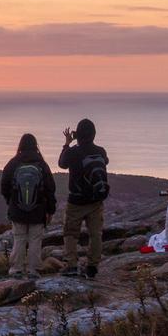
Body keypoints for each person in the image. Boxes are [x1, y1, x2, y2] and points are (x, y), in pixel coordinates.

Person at [58, 118, 110, 278]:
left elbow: (61, 163)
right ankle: (92, 266)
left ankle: (72, 265)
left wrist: (67, 143)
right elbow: (105, 162)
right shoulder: (101, 151)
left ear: (77, 134)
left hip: (77, 200)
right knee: (96, 234)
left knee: (71, 233)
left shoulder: (74, 152)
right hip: (96, 200)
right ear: (94, 134)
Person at [0, 133, 57, 279]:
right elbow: (50, 189)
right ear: (35, 145)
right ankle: (33, 270)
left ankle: (16, 269)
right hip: (38, 210)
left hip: (17, 209)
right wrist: (50, 210)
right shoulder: (42, 164)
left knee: (19, 238)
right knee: (35, 239)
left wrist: (10, 201)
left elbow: (4, 186)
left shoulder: (13, 163)